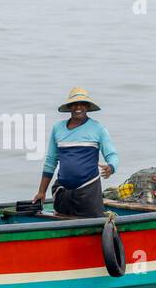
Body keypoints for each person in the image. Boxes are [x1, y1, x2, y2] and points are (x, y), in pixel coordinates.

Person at [32, 87, 119, 218]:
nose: (78, 107)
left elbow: (112, 155)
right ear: (69, 107)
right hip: (63, 193)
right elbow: (50, 161)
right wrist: (41, 192)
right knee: (62, 226)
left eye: (82, 103)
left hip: (88, 192)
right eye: (74, 104)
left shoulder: (98, 129)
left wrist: (111, 167)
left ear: (88, 107)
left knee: (92, 227)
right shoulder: (58, 129)